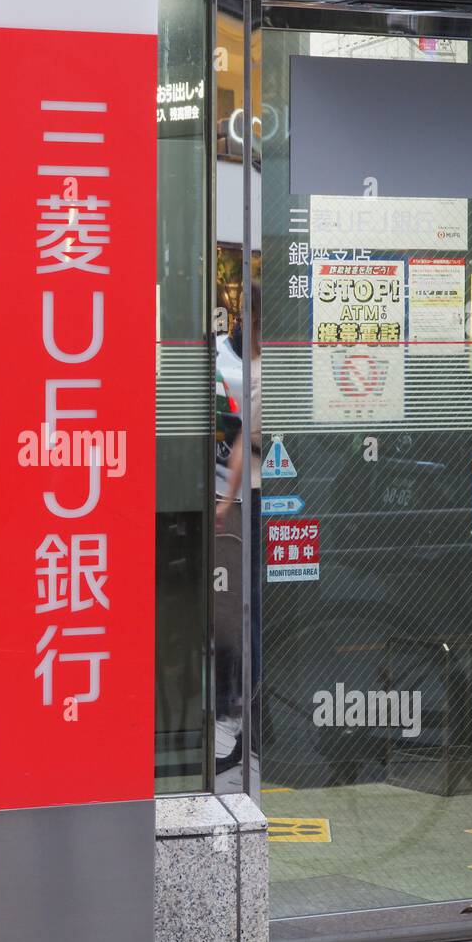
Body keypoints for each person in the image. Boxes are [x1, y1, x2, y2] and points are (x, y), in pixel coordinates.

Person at [215, 281, 261, 772]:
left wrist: (227, 499)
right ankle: (236, 721)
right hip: (242, 499)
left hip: (261, 499)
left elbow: (247, 443)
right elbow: (240, 441)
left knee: (249, 616)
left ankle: (243, 722)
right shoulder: (225, 361)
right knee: (237, 615)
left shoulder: (270, 367)